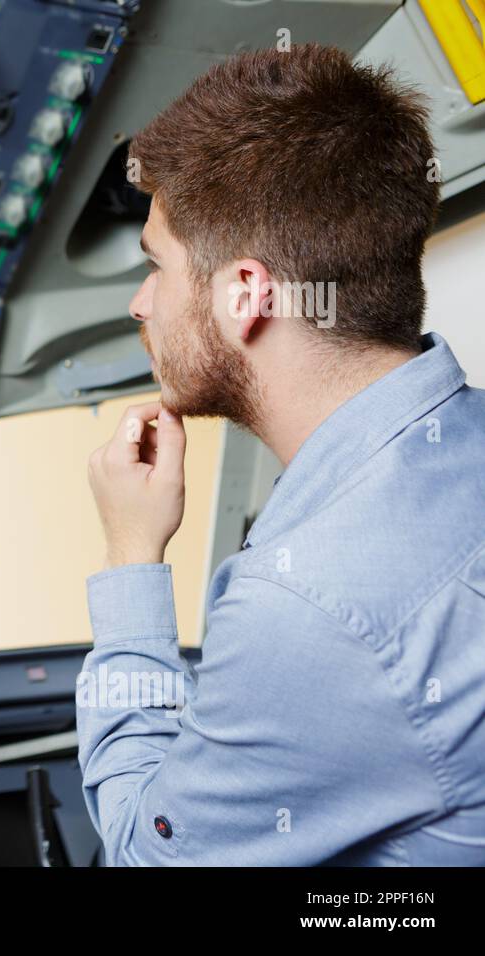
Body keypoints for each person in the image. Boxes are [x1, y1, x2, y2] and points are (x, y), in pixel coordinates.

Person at [82, 43, 485, 864]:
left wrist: (131, 554)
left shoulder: (312, 606)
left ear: (246, 296)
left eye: (157, 266)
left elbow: (141, 856)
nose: (139, 302)